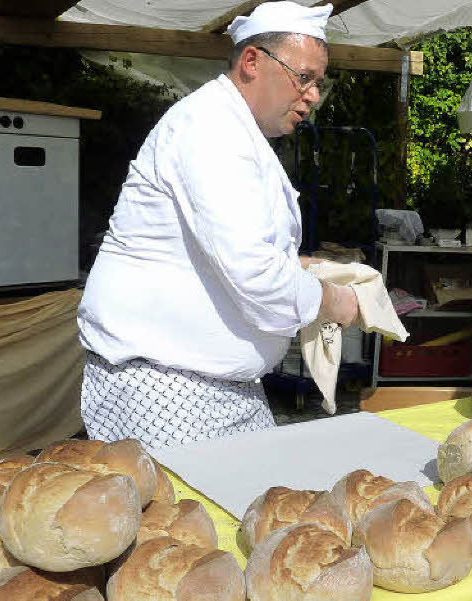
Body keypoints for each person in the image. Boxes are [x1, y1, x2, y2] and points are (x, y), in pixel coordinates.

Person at [77, 2, 360, 449]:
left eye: (318, 83)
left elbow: (228, 247)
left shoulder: (235, 130)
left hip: (213, 383)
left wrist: (298, 263)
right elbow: (251, 270)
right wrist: (330, 299)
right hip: (165, 385)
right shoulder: (210, 130)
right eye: (303, 77)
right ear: (252, 62)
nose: (312, 95)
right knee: (189, 518)